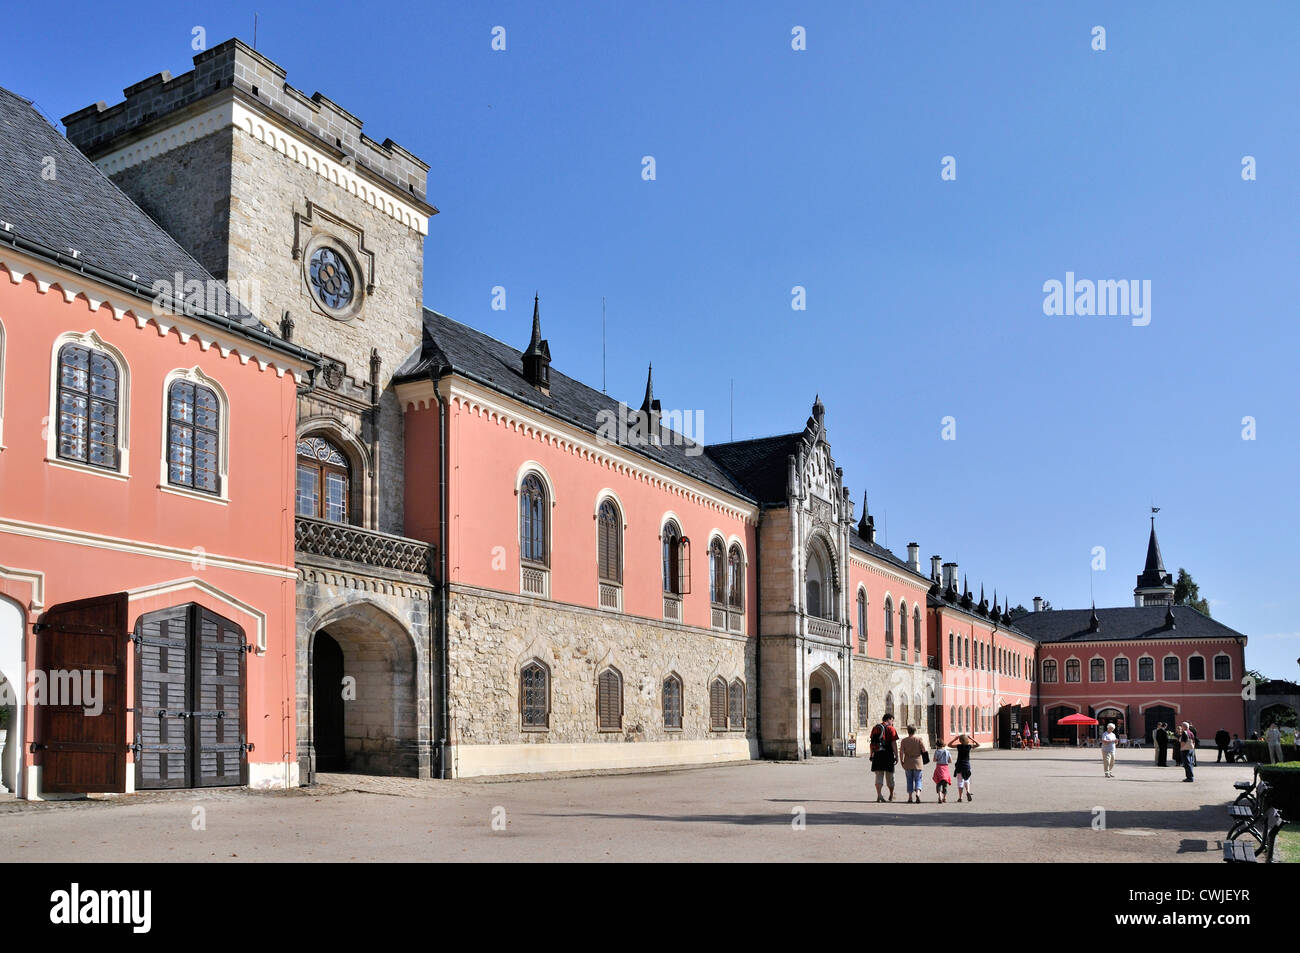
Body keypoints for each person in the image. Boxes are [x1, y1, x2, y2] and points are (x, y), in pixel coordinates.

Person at [870, 713, 899, 802]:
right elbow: (894, 744)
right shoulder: (891, 729)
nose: (892, 722)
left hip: (877, 754)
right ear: (889, 719)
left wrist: (871, 754)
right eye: (892, 720)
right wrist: (896, 756)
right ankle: (891, 794)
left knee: (879, 775)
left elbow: (872, 743)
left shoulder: (875, 728)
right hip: (888, 755)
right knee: (889, 776)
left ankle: (879, 795)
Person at [899, 724, 929, 803]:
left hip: (908, 761)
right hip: (918, 762)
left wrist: (901, 761)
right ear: (915, 731)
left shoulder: (904, 740)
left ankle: (910, 797)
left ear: (907, 731)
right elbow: (924, 750)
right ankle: (918, 794)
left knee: (909, 780)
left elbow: (901, 752)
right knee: (918, 779)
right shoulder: (919, 739)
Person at [947, 733, 979, 801]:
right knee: (967, 780)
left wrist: (955, 739)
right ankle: (968, 791)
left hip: (959, 765)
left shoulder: (959, 746)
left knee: (960, 781)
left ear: (960, 740)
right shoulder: (969, 746)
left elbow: (949, 745)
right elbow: (978, 744)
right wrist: (971, 738)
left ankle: (960, 797)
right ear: (967, 740)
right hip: (966, 765)